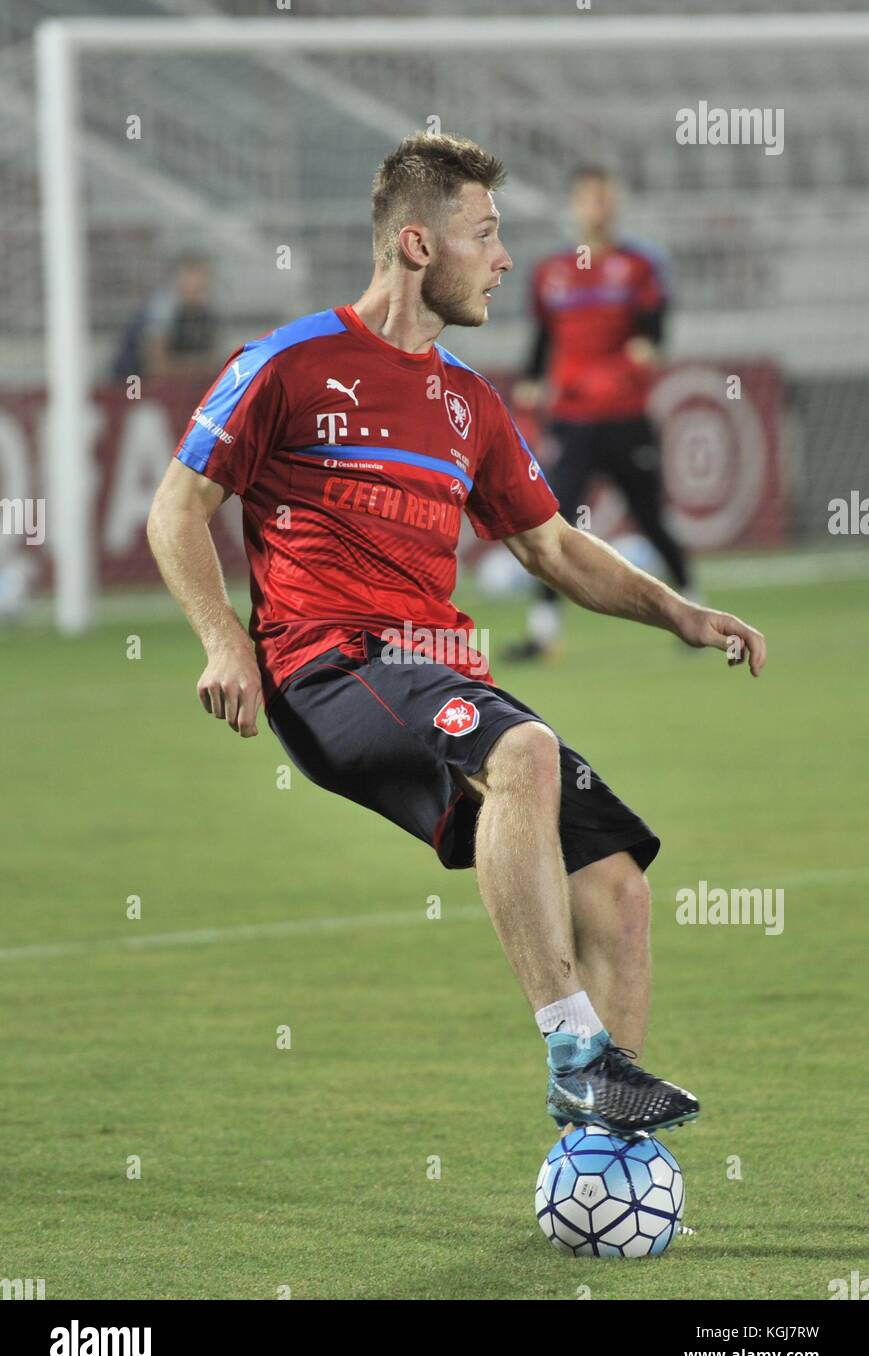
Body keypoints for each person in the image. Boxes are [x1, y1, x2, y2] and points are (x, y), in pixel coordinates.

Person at [147, 134, 766, 1137]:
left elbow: (553, 548)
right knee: (522, 749)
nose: (506, 258)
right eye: (484, 234)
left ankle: (601, 1162)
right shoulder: (287, 365)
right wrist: (224, 640)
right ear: (416, 246)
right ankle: (574, 1053)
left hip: (434, 667)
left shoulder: (468, 403)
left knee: (612, 887)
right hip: (327, 664)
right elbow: (178, 508)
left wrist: (678, 611)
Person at [506, 166, 692, 662]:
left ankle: (693, 610)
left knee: (651, 518)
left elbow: (652, 342)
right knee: (549, 521)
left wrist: (613, 372)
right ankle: (544, 633)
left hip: (625, 417)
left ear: (616, 205)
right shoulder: (551, 273)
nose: (599, 208)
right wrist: (529, 389)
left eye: (606, 199)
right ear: (574, 206)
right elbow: (542, 345)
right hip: (572, 422)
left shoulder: (640, 266)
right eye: (590, 199)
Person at [111, 251, 217, 383]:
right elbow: (157, 367)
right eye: (195, 280)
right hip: (130, 383)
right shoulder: (162, 308)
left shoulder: (203, 310)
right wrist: (194, 368)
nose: (201, 286)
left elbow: (211, 360)